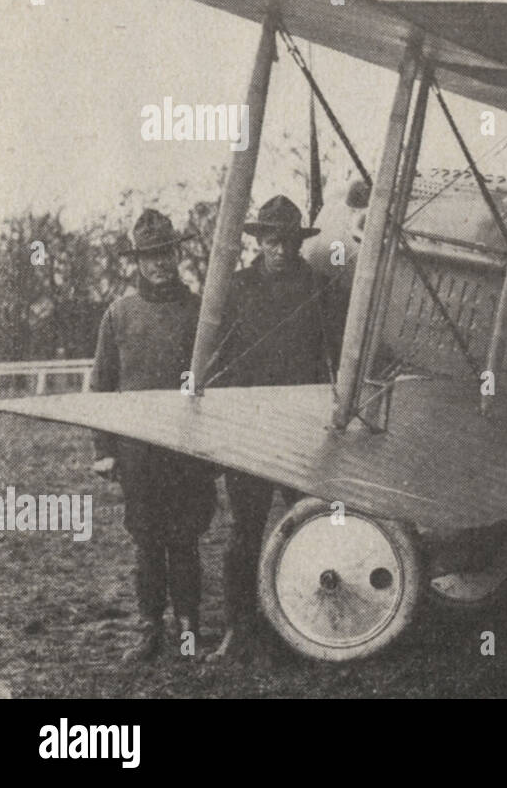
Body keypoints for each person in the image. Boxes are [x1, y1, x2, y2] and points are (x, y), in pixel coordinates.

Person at [205, 195, 346, 663]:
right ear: (258, 241)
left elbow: (337, 357)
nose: (281, 249)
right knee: (245, 529)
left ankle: (311, 620)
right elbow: (216, 354)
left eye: (288, 241)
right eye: (272, 241)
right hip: (249, 424)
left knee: (310, 524)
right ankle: (239, 628)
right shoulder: (236, 287)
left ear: (298, 241)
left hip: (303, 426)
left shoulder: (319, 287)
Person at [90, 209, 217, 663]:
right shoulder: (119, 314)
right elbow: (102, 384)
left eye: (166, 253)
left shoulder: (201, 310)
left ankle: (188, 627)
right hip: (138, 453)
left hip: (186, 448)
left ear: (177, 253)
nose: (160, 263)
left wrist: (214, 447)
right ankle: (150, 627)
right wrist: (104, 450)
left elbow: (217, 380)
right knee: (147, 542)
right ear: (137, 261)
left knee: (184, 540)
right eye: (150, 256)